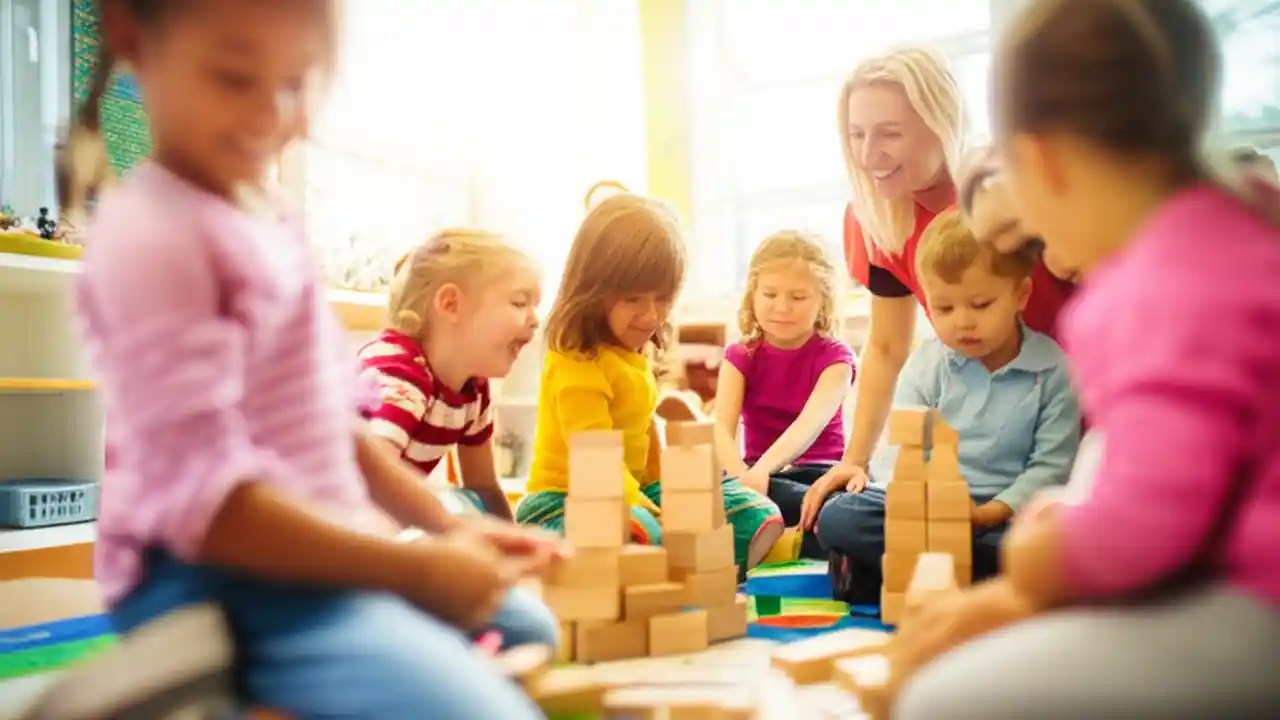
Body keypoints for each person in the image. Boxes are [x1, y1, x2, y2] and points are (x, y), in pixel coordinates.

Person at [77, 2, 558, 717]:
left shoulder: (271, 215)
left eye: (297, 83)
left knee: (529, 625)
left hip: (313, 542)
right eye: (236, 77)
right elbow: (211, 511)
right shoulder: (151, 236)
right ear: (129, 37)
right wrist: (410, 570)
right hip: (209, 572)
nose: (270, 113)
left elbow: (340, 430)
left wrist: (451, 528)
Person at [892, 1, 1280, 717]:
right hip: (1234, 565)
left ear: (1038, 161)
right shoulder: (1251, 223)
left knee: (938, 700)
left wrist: (1034, 562)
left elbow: (1144, 529)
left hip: (1259, 603)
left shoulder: (1148, 288)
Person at [808, 48, 1075, 516]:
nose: (870, 155)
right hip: (979, 424)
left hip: (1063, 401)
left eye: (890, 134)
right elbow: (888, 347)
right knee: (842, 515)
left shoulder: (1006, 190)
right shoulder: (874, 217)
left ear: (942, 123)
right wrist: (855, 460)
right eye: (857, 134)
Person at [815, 209, 1079, 600]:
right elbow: (903, 453)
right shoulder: (927, 364)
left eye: (980, 304)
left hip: (1003, 515)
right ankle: (967, 575)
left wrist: (988, 512)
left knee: (1053, 542)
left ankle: (921, 571)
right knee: (840, 516)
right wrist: (931, 507)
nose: (963, 322)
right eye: (945, 309)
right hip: (924, 510)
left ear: (1020, 295)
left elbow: (1051, 467)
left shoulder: (1053, 369)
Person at [518, 194, 783, 568]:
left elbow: (647, 439)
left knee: (751, 509)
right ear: (592, 293)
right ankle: (668, 562)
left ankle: (708, 566)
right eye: (634, 300)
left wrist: (685, 495)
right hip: (564, 501)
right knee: (641, 529)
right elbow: (598, 465)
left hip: (634, 490)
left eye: (663, 300)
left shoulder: (634, 353)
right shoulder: (577, 365)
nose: (651, 315)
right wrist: (652, 513)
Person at [358, 229, 541, 522]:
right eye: (520, 303)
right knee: (457, 509)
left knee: (470, 504)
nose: (535, 320)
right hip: (332, 513)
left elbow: (484, 488)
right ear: (451, 305)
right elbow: (369, 478)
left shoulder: (473, 390)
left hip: (381, 513)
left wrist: (519, 546)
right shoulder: (398, 373)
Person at [712, 230, 854, 559]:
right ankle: (792, 540)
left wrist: (761, 472)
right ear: (753, 295)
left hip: (819, 477)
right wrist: (742, 478)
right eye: (770, 294)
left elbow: (807, 427)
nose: (782, 307)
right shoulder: (741, 355)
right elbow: (721, 428)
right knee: (707, 501)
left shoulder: (837, 359)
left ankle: (777, 538)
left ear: (823, 301)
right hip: (756, 478)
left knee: (843, 510)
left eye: (798, 297)